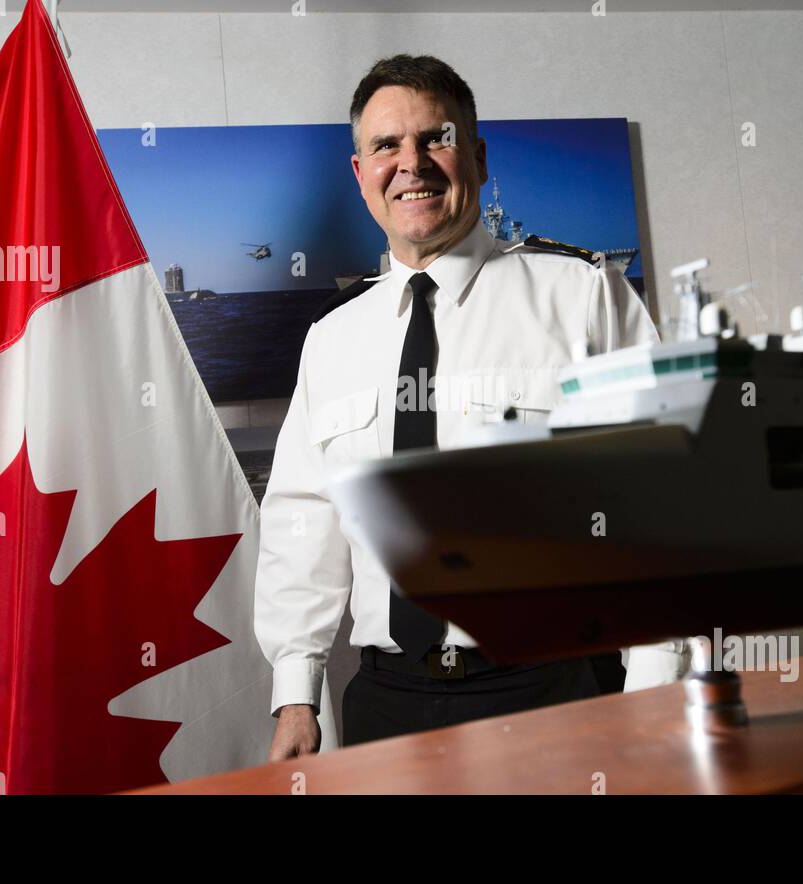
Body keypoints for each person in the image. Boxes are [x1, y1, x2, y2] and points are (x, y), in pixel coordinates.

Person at [255, 54, 659, 761]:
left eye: (434, 139)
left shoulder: (583, 297)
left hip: (551, 693)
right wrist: (296, 695)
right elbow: (302, 526)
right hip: (386, 706)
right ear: (361, 173)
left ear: (474, 154)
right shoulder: (331, 339)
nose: (411, 164)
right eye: (386, 146)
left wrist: (655, 690)